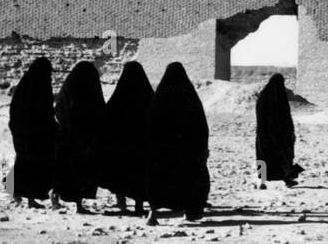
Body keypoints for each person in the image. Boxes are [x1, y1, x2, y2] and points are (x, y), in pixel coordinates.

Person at [146, 62, 210, 224]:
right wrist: (202, 150)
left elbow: (151, 124)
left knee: (159, 179)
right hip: (187, 151)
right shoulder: (190, 97)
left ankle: (153, 212)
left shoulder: (160, 97)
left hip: (163, 150)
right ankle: (190, 212)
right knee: (191, 180)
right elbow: (201, 126)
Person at [96, 61, 153, 215]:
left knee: (121, 173)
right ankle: (139, 206)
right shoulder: (148, 96)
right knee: (140, 176)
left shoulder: (118, 97)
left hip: (121, 147)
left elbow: (106, 119)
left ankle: (121, 203)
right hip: (141, 146)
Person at [53, 60, 105, 213]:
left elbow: (59, 109)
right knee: (81, 171)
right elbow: (99, 111)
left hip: (66, 137)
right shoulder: (91, 91)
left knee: (66, 170)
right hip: (85, 140)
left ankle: (57, 195)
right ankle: (79, 205)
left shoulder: (67, 90)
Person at [8, 57, 57, 207]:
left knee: (23, 160)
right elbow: (45, 111)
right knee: (35, 164)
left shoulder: (24, 86)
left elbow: (15, 110)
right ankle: (30, 198)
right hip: (37, 132)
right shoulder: (41, 86)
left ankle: (16, 192)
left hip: (21, 131)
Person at [255, 72, 303, 188]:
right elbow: (286, 117)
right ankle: (287, 179)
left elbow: (259, 115)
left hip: (264, 134)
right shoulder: (281, 97)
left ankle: (262, 182)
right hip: (280, 135)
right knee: (283, 157)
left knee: (263, 157)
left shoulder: (262, 97)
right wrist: (291, 133)